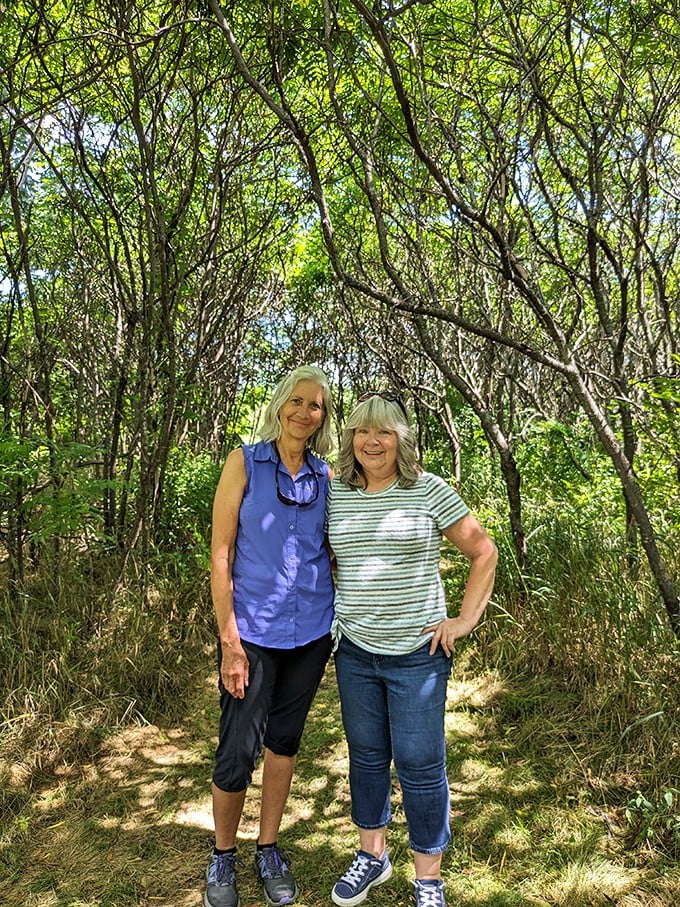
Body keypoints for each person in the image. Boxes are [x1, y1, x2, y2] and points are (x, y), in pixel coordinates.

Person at [326, 391, 498, 907]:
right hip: (354, 650)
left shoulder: (428, 490)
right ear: (350, 439)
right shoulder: (336, 493)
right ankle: (373, 857)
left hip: (417, 656)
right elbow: (332, 559)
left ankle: (428, 880)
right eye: (361, 431)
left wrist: (465, 619)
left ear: (401, 439)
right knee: (367, 756)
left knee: (421, 764)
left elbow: (482, 549)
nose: (371, 441)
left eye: (382, 432)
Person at [205, 365, 335, 907]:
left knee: (284, 743)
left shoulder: (328, 476)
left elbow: (335, 550)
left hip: (310, 632)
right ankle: (222, 856)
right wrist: (230, 641)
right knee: (238, 748)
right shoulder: (244, 462)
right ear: (280, 403)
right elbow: (221, 553)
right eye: (298, 401)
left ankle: (269, 848)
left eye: (318, 406)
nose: (306, 412)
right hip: (253, 635)